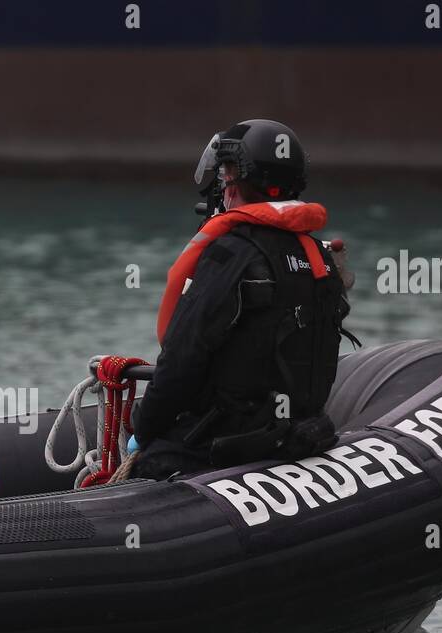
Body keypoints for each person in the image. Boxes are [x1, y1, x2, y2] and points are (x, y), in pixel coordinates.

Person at [130, 119, 353, 480]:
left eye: (227, 172)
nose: (222, 184)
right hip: (299, 435)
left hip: (230, 444)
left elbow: (182, 358)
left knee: (150, 461)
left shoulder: (231, 254)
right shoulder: (318, 256)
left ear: (242, 178)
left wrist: (142, 429)